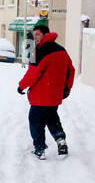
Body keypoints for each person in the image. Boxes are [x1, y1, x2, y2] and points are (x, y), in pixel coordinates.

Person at [16, 22, 74, 159]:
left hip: (40, 96)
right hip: (54, 96)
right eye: (34, 34)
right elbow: (70, 70)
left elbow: (32, 74)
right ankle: (61, 141)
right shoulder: (61, 50)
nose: (35, 37)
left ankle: (39, 148)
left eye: (38, 34)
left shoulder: (39, 51)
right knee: (52, 118)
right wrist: (67, 89)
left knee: (36, 121)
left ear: (45, 35)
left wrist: (21, 86)